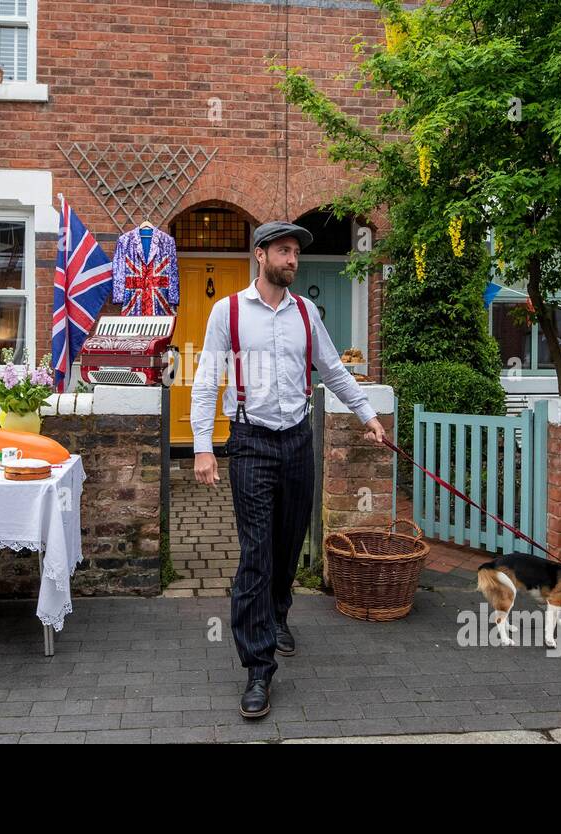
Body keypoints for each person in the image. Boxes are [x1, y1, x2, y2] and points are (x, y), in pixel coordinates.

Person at [190, 220, 387, 720]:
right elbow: (206, 377)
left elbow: (333, 368)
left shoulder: (306, 312)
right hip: (251, 441)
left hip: (299, 440)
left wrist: (367, 415)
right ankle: (258, 666)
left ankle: (278, 614)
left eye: (296, 253)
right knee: (256, 551)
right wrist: (201, 448)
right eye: (284, 251)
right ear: (261, 255)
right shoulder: (226, 312)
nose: (293, 260)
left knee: (288, 542)